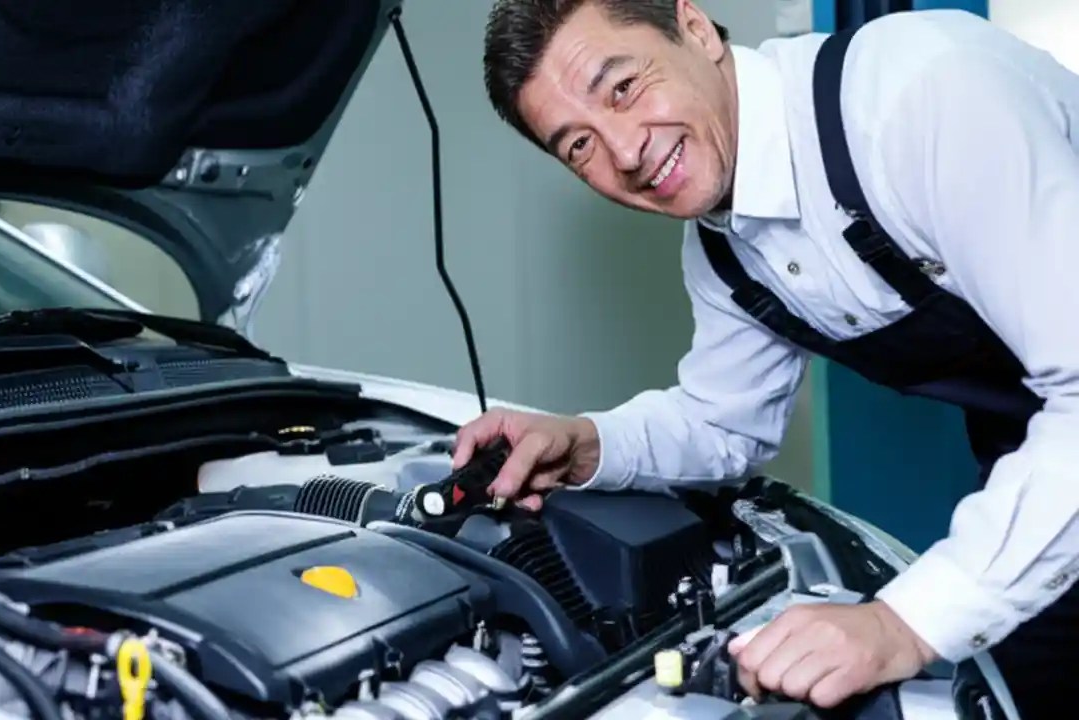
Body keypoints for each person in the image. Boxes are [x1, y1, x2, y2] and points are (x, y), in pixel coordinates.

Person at [462, 0, 1079, 716]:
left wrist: (899, 623)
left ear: (694, 28)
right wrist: (590, 444)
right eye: (579, 146)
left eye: (623, 88)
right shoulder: (723, 250)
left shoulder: (921, 97)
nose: (625, 153)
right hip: (1043, 457)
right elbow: (725, 425)